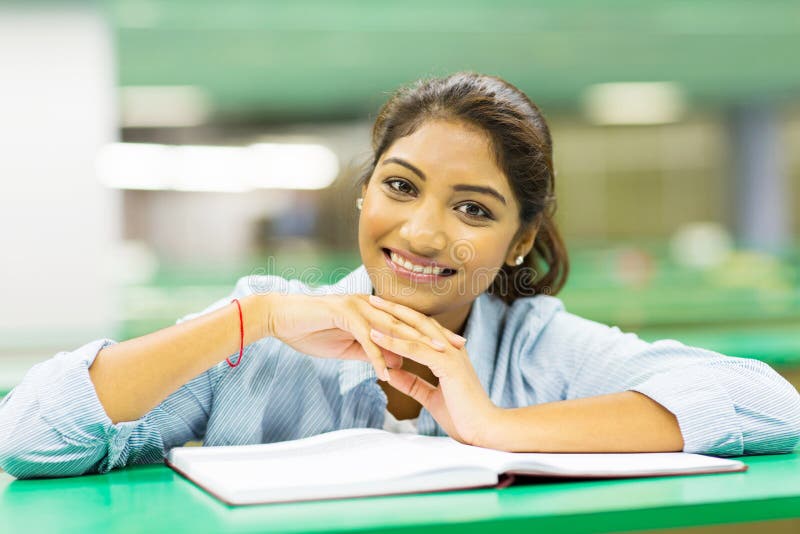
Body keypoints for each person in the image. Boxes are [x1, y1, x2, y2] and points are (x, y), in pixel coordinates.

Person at [1, 72, 798, 480]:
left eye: (475, 211)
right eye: (400, 186)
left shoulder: (539, 347)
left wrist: (494, 426)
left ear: (520, 243)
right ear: (365, 190)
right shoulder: (262, 331)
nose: (421, 232)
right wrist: (249, 323)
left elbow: (769, 404)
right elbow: (30, 436)